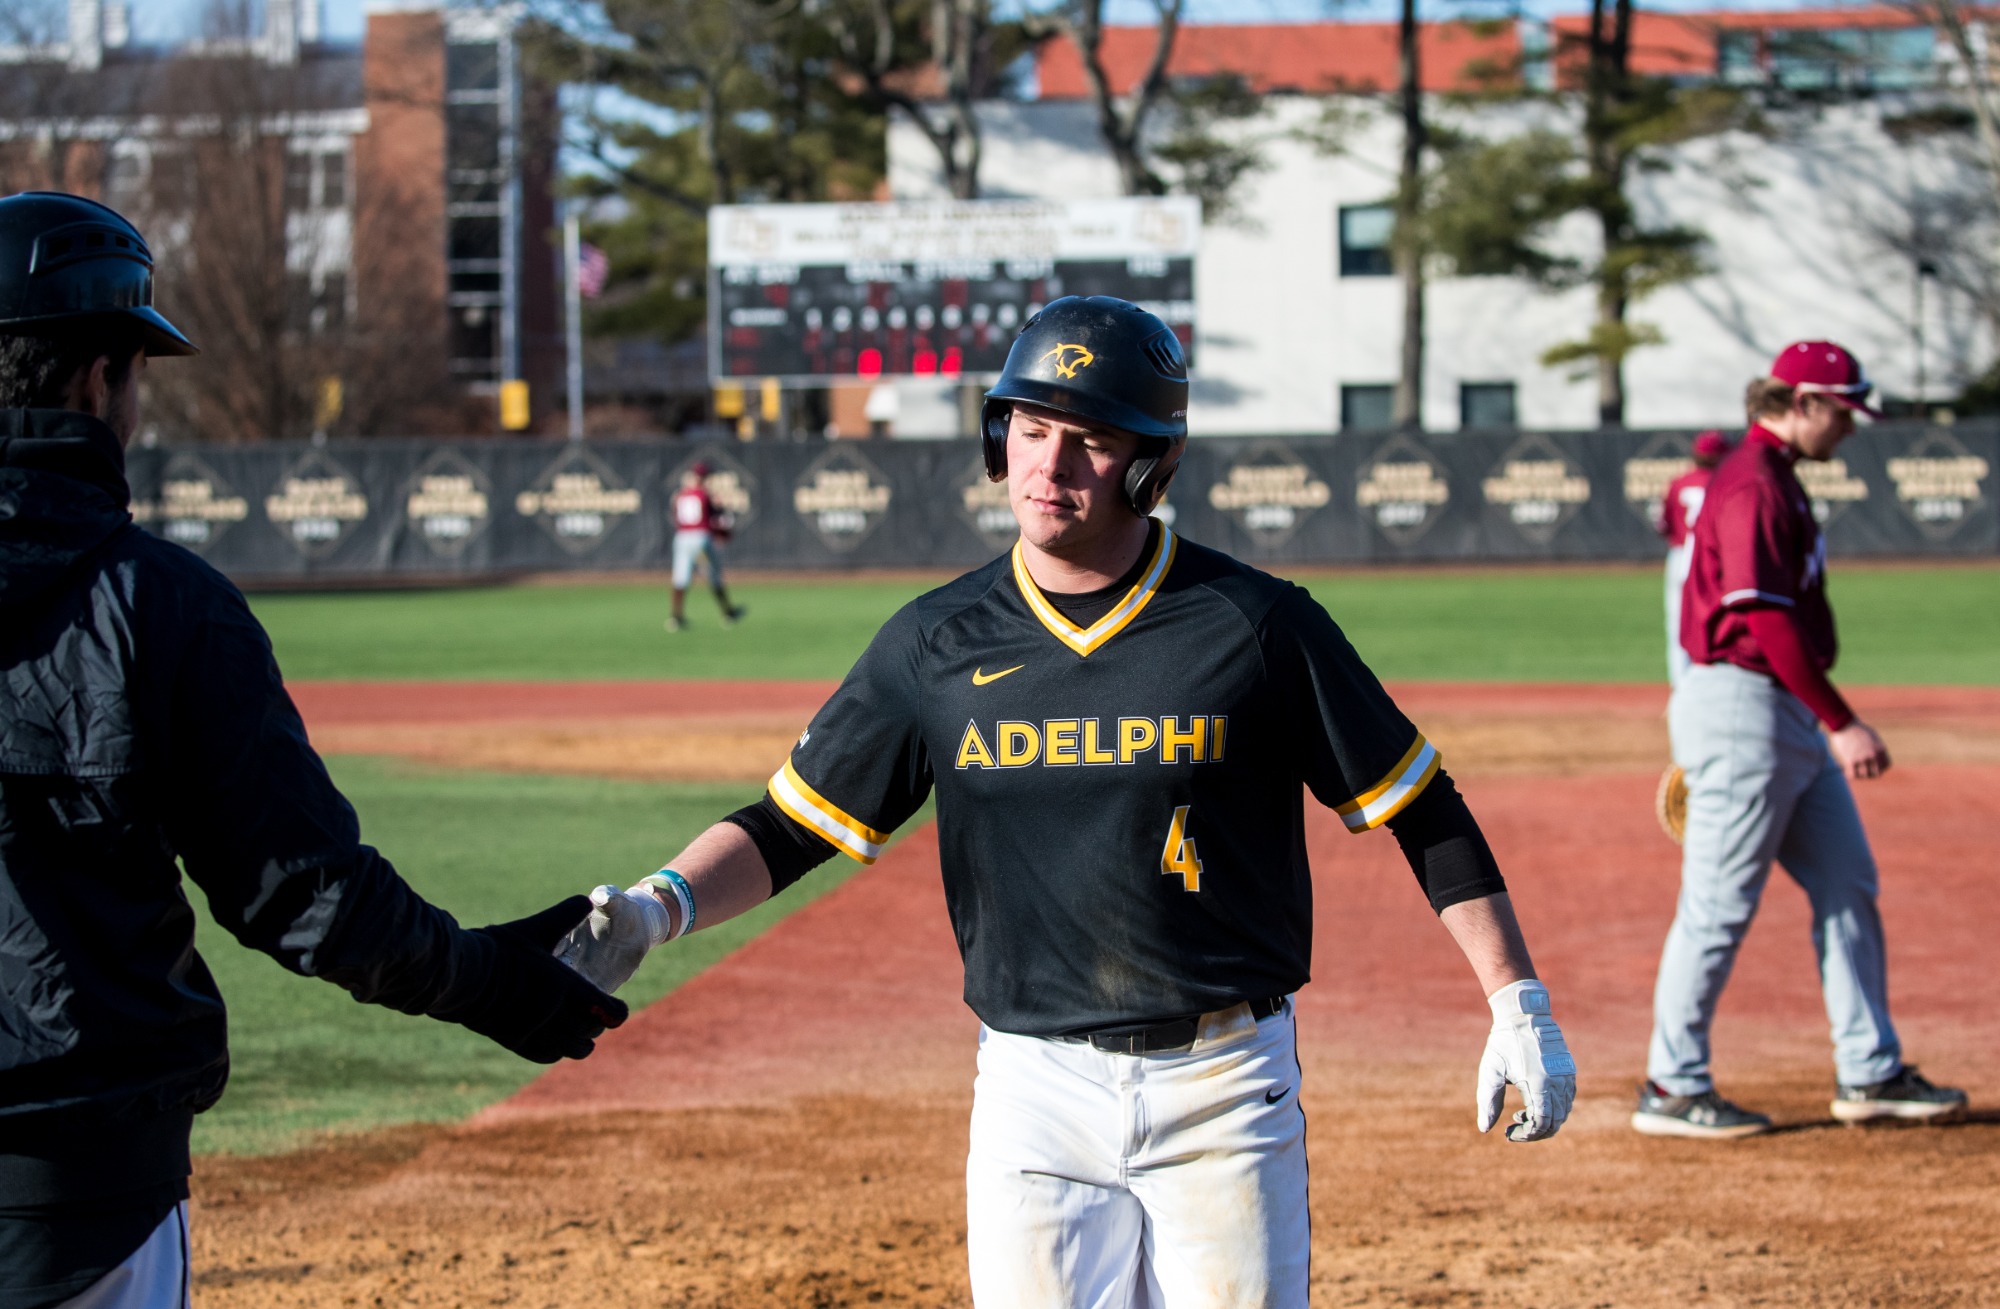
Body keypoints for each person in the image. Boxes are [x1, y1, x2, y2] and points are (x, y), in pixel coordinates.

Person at [558, 297, 1576, 1306]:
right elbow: (794, 821)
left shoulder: (1254, 625)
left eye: (1087, 441)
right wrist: (658, 904)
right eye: (1028, 429)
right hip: (1030, 1089)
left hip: (1222, 1084)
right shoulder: (934, 641)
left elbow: (1416, 802)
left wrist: (1513, 998)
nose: (1047, 466)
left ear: (1150, 463)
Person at [0, 191, 627, 1309]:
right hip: (81, 1183)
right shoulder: (164, 606)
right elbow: (304, 898)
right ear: (100, 379)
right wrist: (494, 984)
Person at [1634, 341, 1968, 1139]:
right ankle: (1671, 1085)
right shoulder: (1751, 483)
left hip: (1778, 709)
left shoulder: (1774, 477)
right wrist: (1840, 718)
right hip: (1744, 704)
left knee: (1847, 881)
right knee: (1718, 905)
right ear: (1805, 401)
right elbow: (1763, 617)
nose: (1851, 427)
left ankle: (1872, 1069)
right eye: (1844, 411)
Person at [1657, 430, 1729, 687]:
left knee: (1677, 625)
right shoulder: (1726, 483)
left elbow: (1663, 525)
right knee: (1719, 623)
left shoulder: (1679, 482)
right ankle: (1714, 686)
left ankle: (1681, 690)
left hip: (1680, 556)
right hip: (1714, 558)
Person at [666, 460, 743, 631]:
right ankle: (728, 612)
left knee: (680, 578)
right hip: (700, 538)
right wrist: (721, 531)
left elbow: (675, 517)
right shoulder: (705, 494)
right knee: (713, 574)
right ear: (705, 477)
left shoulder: (680, 494)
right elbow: (717, 519)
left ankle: (675, 617)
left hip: (682, 537)